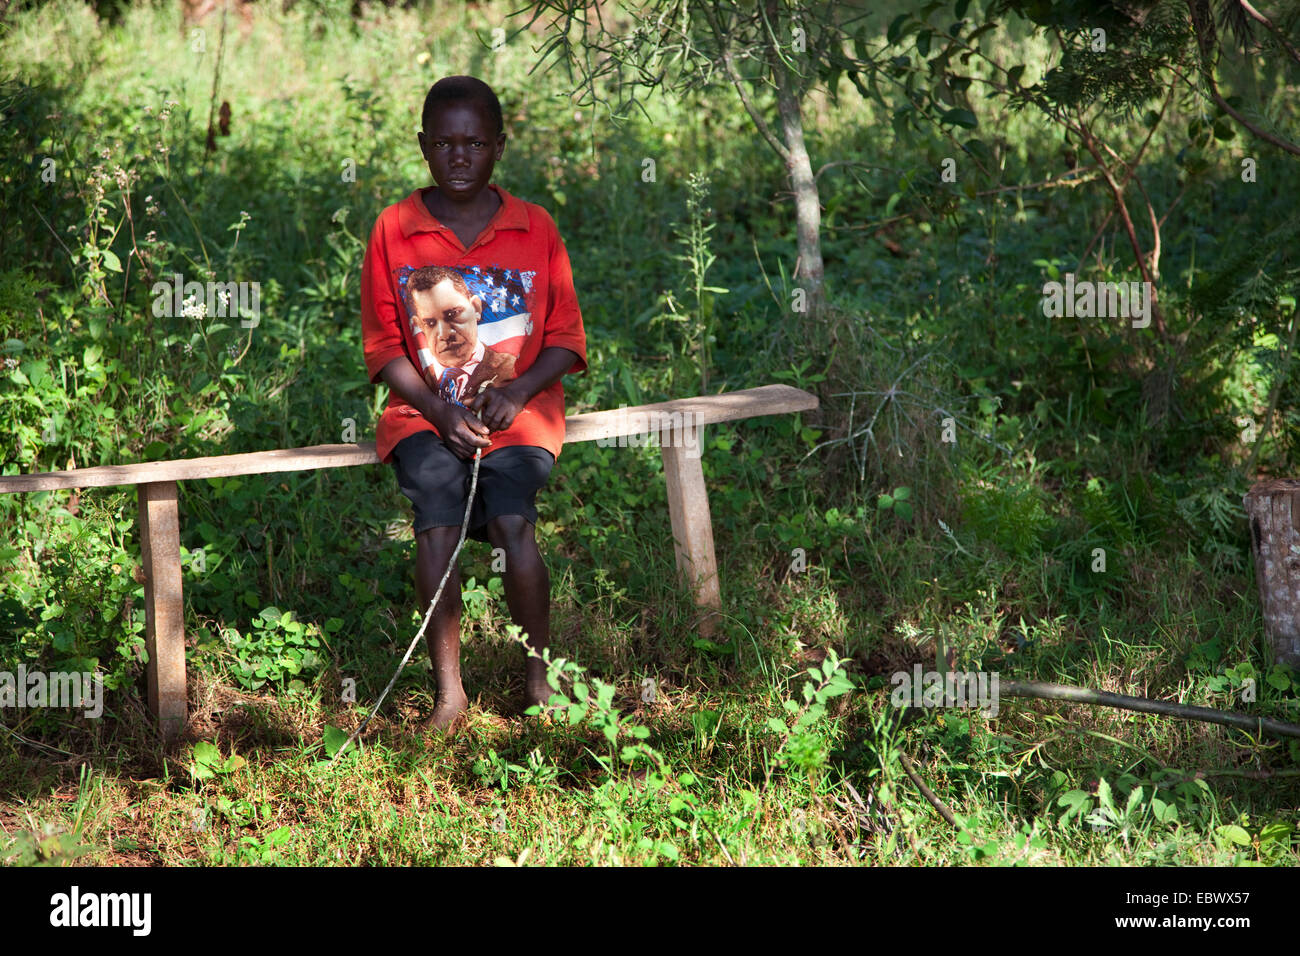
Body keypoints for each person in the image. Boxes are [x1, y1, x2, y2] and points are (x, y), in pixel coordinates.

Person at [360, 75, 587, 732]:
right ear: (424, 145)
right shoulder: (395, 229)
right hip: (424, 417)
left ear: (498, 147)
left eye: (475, 143)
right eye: (446, 143)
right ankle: (450, 695)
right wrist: (437, 412)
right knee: (435, 520)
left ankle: (539, 681)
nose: (460, 156)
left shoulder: (532, 226)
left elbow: (567, 340)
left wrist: (515, 391)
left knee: (514, 520)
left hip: (519, 416)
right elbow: (383, 349)